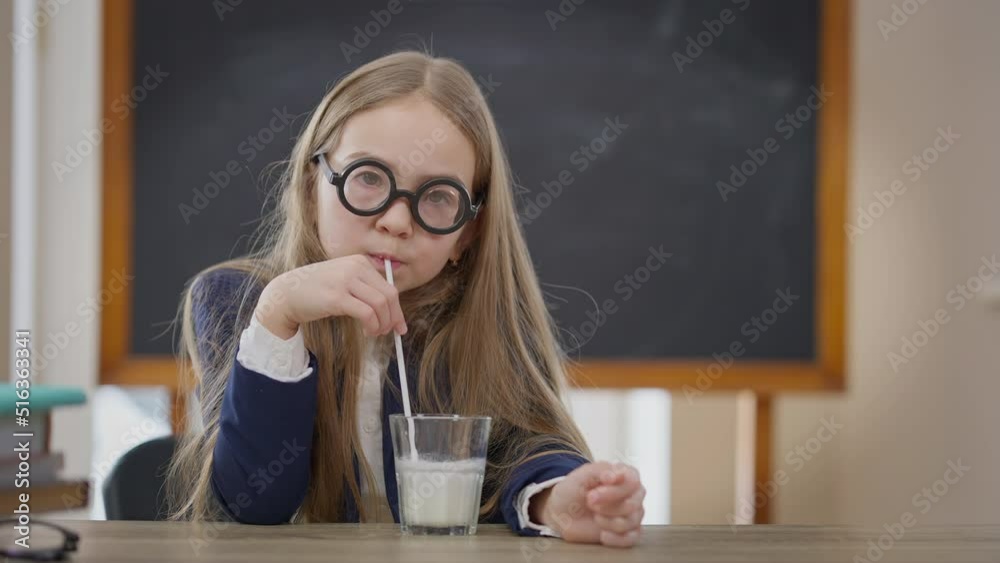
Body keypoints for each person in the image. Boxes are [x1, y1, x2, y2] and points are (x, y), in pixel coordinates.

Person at [166, 51, 645, 547]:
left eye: (438, 196)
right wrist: (278, 315)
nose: (396, 221)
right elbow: (251, 505)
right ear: (313, 189)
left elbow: (524, 447)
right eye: (369, 178)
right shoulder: (238, 303)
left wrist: (555, 497)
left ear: (466, 233)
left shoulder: (478, 318)